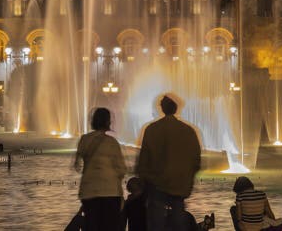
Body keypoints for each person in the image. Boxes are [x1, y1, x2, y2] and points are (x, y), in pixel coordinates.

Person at [136, 94, 202, 231]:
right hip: (179, 185)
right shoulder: (188, 131)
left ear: (162, 109)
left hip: (156, 185)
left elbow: (144, 159)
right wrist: (188, 180)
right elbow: (196, 160)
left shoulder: (152, 129)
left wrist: (143, 178)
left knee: (156, 223)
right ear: (176, 109)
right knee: (178, 221)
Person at [73, 107, 126, 231]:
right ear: (108, 122)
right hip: (111, 192)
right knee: (109, 227)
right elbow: (121, 169)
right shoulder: (112, 142)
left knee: (92, 225)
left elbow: (77, 165)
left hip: (89, 192)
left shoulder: (84, 139)